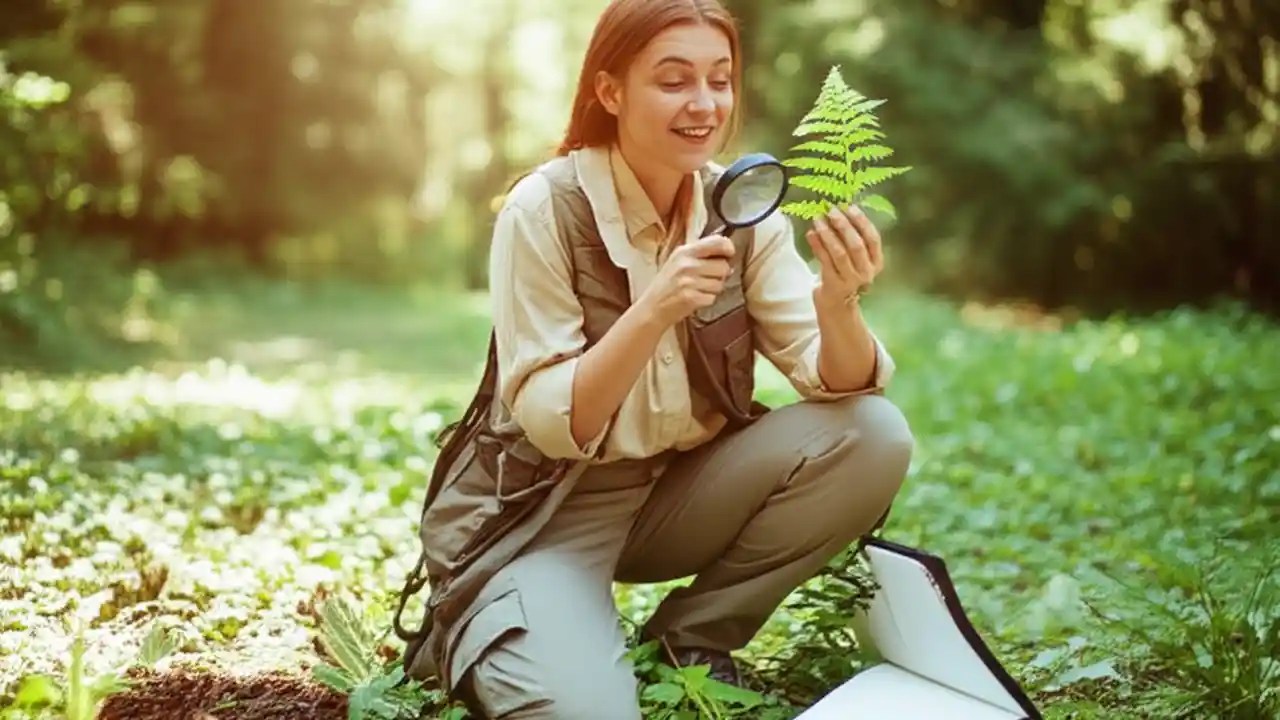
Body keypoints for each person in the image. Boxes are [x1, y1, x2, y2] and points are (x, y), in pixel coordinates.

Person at [392, 0, 914, 717]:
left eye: (720, 79)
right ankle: (505, 622)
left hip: (681, 491)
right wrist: (654, 308)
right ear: (610, 92)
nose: (704, 104)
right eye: (673, 81)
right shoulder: (543, 210)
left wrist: (839, 305)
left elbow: (835, 378)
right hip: (552, 508)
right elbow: (551, 423)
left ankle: (693, 638)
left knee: (873, 432)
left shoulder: (741, 204)